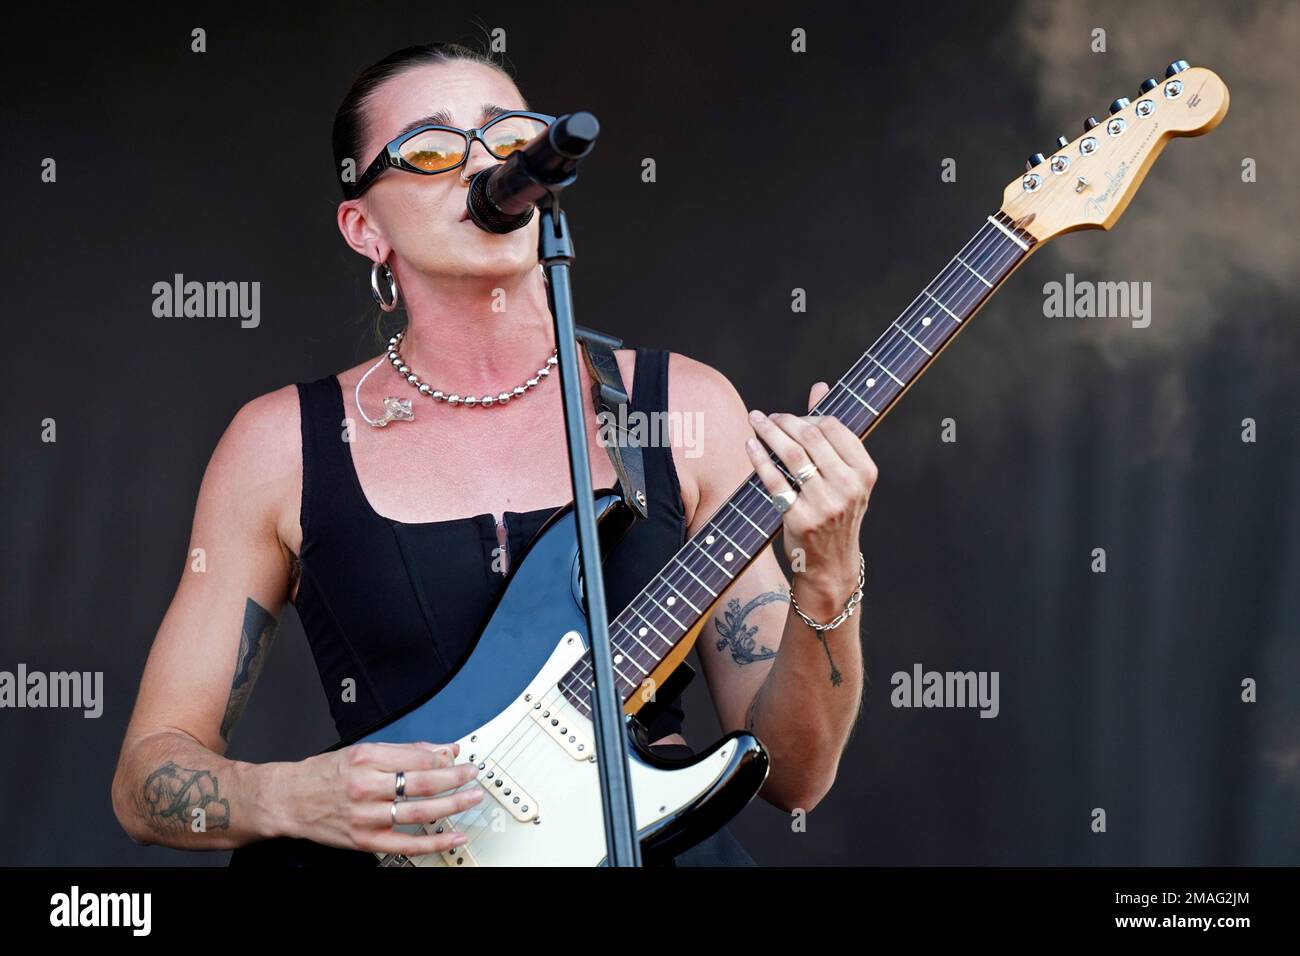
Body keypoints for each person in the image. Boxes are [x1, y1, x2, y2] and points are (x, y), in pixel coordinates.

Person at [110, 41, 878, 867]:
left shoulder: (680, 407)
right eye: (432, 149)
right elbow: (149, 778)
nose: (485, 162)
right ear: (364, 228)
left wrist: (830, 573)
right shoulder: (282, 444)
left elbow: (795, 776)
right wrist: (297, 795)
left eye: (509, 137)